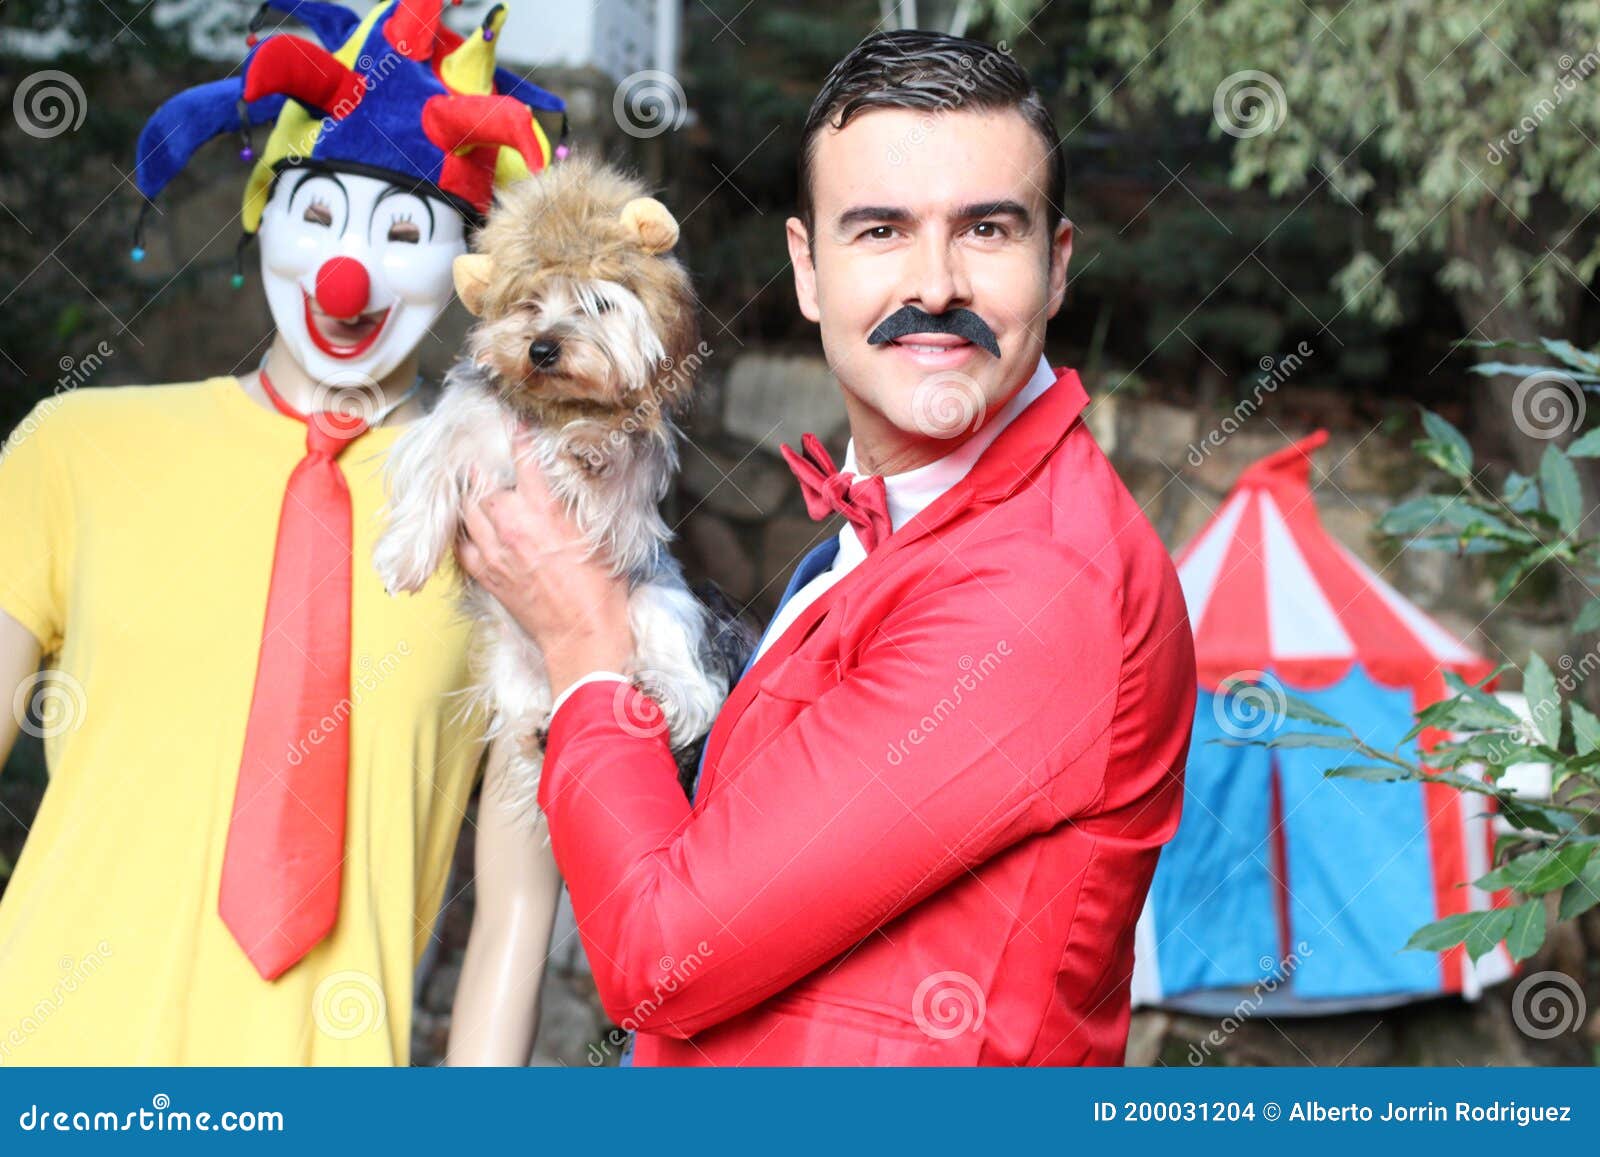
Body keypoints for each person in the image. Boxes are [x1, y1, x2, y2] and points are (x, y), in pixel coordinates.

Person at [457, 29, 1198, 1066]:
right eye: (881, 229)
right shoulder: (893, 520)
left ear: (1055, 263)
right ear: (808, 269)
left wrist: (583, 642)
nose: (933, 283)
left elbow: (663, 953)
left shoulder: (1035, 582)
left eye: (986, 228)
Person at [0, 0, 567, 1065]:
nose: (347, 275)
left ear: (465, 267)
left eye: (403, 233)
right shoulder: (72, 451)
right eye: (321, 216)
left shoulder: (513, 523)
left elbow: (516, 914)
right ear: (266, 209)